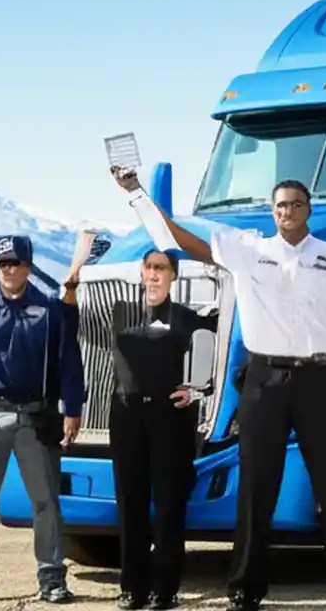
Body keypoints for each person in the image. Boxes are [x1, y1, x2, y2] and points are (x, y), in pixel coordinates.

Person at [110, 167, 326, 611]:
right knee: (257, 488)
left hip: (320, 378)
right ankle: (244, 589)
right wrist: (137, 194)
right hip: (264, 380)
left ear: (308, 209)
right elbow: (176, 238)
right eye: (279, 206)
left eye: (294, 204)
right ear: (272, 212)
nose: (286, 212)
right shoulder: (248, 250)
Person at [0, 234, 85, 605]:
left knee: (45, 502)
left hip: (35, 418)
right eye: (2, 264)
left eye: (15, 263)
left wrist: (72, 409)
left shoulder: (49, 311)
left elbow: (70, 363)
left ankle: (51, 577)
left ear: (28, 266)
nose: (8, 270)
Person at [109, 249, 220, 610]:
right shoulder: (119, 313)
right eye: (149, 268)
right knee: (130, 503)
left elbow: (219, 354)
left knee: (170, 504)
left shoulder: (189, 319)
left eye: (162, 269)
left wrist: (198, 389)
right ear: (141, 272)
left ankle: (165, 589)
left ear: (174, 275)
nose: (154, 275)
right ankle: (131, 587)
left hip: (170, 418)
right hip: (126, 416)